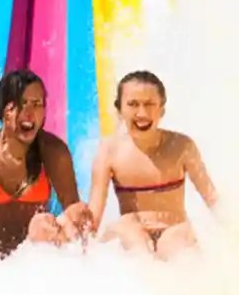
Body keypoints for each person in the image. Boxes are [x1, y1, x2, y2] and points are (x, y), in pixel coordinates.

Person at [0, 69, 94, 257]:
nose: (30, 113)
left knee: (42, 224)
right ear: (6, 111)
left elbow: (71, 209)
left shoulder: (53, 152)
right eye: (23, 104)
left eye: (37, 104)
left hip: (33, 254)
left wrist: (78, 219)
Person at [88, 70, 218, 260]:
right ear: (120, 109)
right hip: (132, 231)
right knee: (131, 235)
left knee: (176, 242)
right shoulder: (109, 150)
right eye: (133, 104)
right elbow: (94, 216)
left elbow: (213, 200)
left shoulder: (182, 147)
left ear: (162, 109)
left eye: (149, 104)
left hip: (173, 230)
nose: (142, 113)